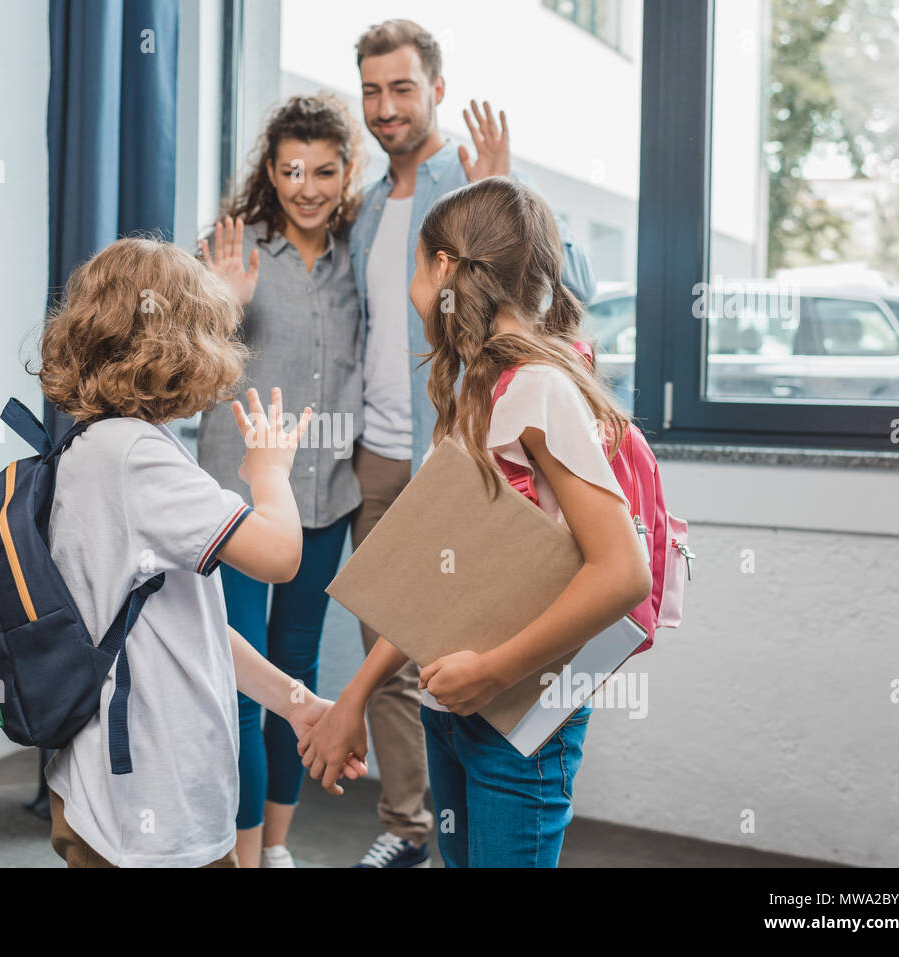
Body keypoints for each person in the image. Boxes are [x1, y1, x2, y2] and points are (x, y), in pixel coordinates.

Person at [299, 176, 651, 867]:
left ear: (444, 268)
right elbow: (440, 572)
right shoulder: (476, 390)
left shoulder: (542, 392)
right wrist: (355, 696)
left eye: (416, 265)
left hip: (521, 719)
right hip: (451, 707)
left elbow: (622, 572)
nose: (410, 288)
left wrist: (490, 671)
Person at [344, 18, 598, 868]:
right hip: (402, 458)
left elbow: (566, 288)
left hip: (520, 688)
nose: (384, 107)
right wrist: (353, 693)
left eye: (401, 87)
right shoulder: (371, 206)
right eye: (371, 90)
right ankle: (404, 821)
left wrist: (506, 181)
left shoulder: (529, 387)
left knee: (504, 800)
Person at [33, 237, 366, 868]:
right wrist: (268, 472)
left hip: (117, 797)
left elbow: (188, 623)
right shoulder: (137, 457)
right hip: (149, 810)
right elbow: (280, 557)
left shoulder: (95, 447)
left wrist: (295, 703)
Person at [196, 94, 364, 868]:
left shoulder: (354, 256)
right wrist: (222, 304)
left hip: (323, 496)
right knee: (236, 682)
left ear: (344, 172)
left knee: (297, 678)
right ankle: (240, 854)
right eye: (291, 169)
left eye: (323, 171)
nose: (307, 186)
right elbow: (184, 371)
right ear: (271, 169)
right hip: (237, 500)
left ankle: (277, 850)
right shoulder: (233, 248)